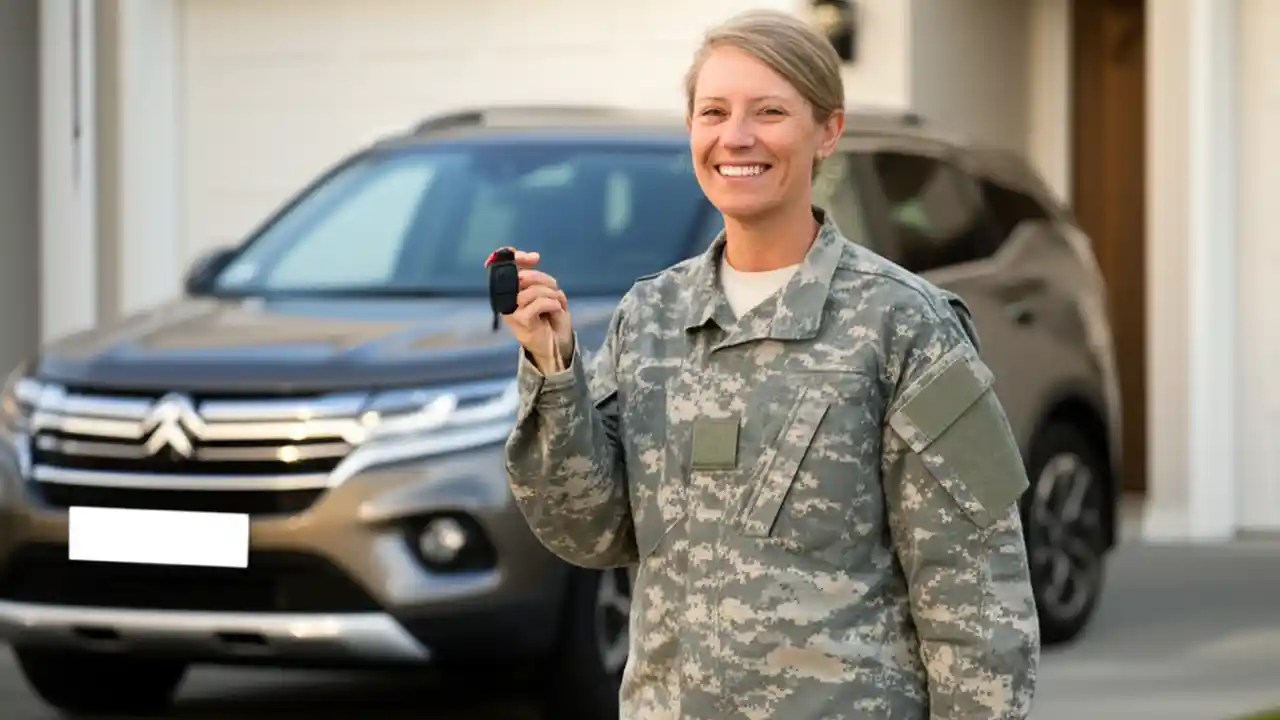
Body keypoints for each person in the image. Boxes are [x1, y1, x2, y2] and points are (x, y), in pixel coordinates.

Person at [498, 8, 1039, 719]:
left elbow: (977, 590)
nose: (736, 136)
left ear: (828, 131)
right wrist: (553, 365)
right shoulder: (651, 317)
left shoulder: (905, 324)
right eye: (714, 112)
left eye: (770, 111)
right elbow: (591, 531)